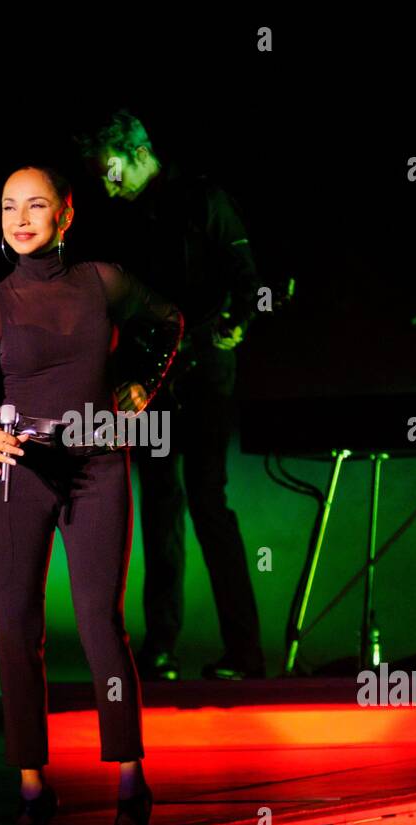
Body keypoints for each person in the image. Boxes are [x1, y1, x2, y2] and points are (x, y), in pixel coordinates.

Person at [0, 165, 183, 825]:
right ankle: (33, 787)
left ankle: (130, 782)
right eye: (8, 207)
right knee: (16, 628)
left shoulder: (100, 282)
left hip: (97, 464)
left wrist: (142, 384)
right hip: (19, 471)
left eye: (35, 205)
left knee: (100, 624)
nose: (20, 218)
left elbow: (171, 319)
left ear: (65, 213)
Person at [75, 110, 266, 680]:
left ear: (138, 152)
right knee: (159, 505)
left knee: (207, 498)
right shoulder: (129, 223)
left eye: (111, 172)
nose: (107, 186)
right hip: (150, 383)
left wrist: (237, 322)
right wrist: (125, 373)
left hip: (206, 373)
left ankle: (244, 652)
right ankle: (159, 648)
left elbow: (246, 278)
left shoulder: (205, 199)